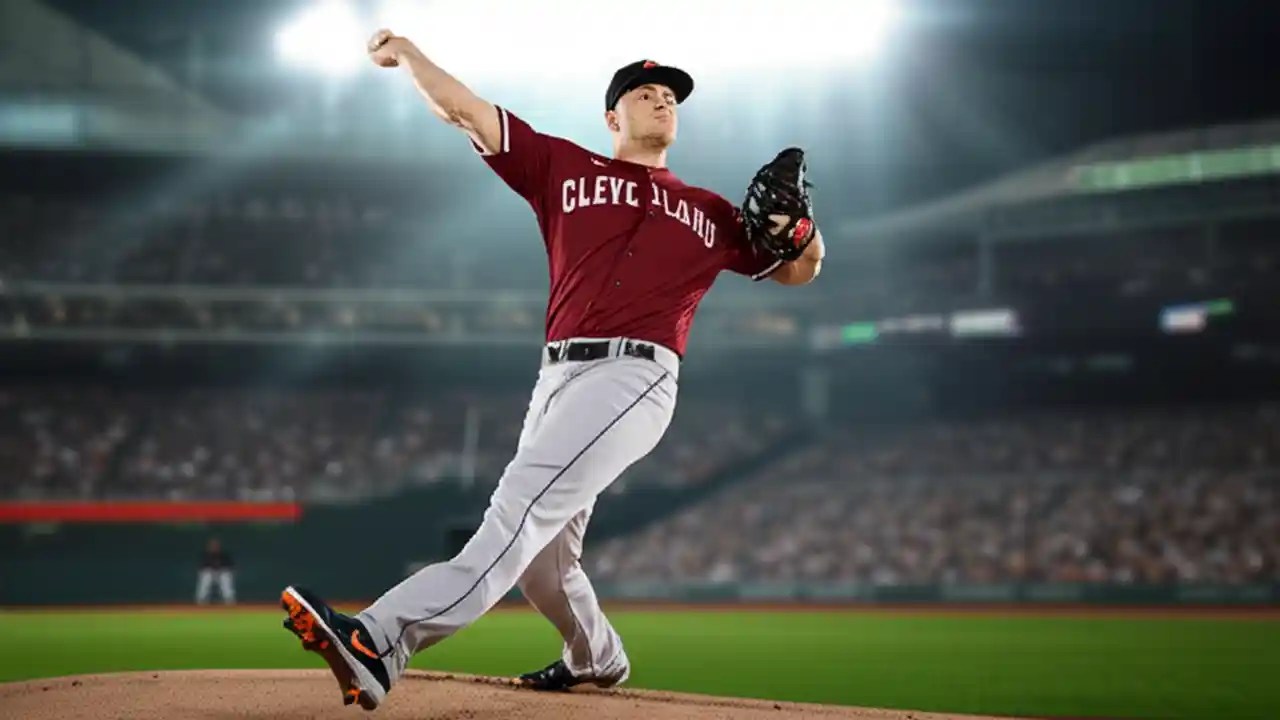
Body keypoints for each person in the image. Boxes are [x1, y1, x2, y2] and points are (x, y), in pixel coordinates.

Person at [280, 29, 826, 711]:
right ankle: (597, 656)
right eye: (644, 92)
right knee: (544, 564)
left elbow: (800, 271)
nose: (662, 101)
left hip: (635, 378)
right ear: (612, 117)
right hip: (558, 378)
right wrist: (413, 59)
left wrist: (804, 231)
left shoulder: (712, 213)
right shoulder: (565, 169)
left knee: (519, 507)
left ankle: (381, 641)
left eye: (670, 97)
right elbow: (467, 111)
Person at [195, 537, 235, 605]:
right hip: (209, 574)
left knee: (225, 577)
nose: (214, 547)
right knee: (206, 576)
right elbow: (201, 568)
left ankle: (229, 601)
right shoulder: (205, 555)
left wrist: (221, 570)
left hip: (222, 574)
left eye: (216, 545)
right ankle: (201, 601)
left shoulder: (224, 555)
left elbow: (231, 568)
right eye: (213, 545)